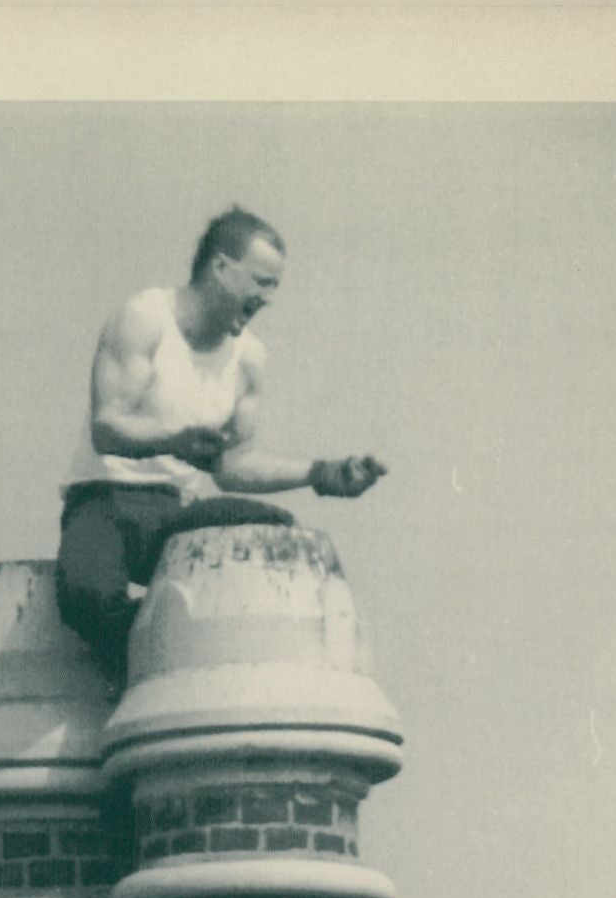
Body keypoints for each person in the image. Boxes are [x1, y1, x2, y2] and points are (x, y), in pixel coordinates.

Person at [55, 207, 387, 686]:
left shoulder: (249, 358)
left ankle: (248, 662)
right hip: (103, 500)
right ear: (221, 268)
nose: (268, 299)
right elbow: (106, 428)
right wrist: (175, 441)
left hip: (174, 510)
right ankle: (143, 664)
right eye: (262, 282)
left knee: (273, 530)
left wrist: (322, 473)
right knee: (85, 594)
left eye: (274, 286)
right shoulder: (146, 318)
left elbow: (232, 467)